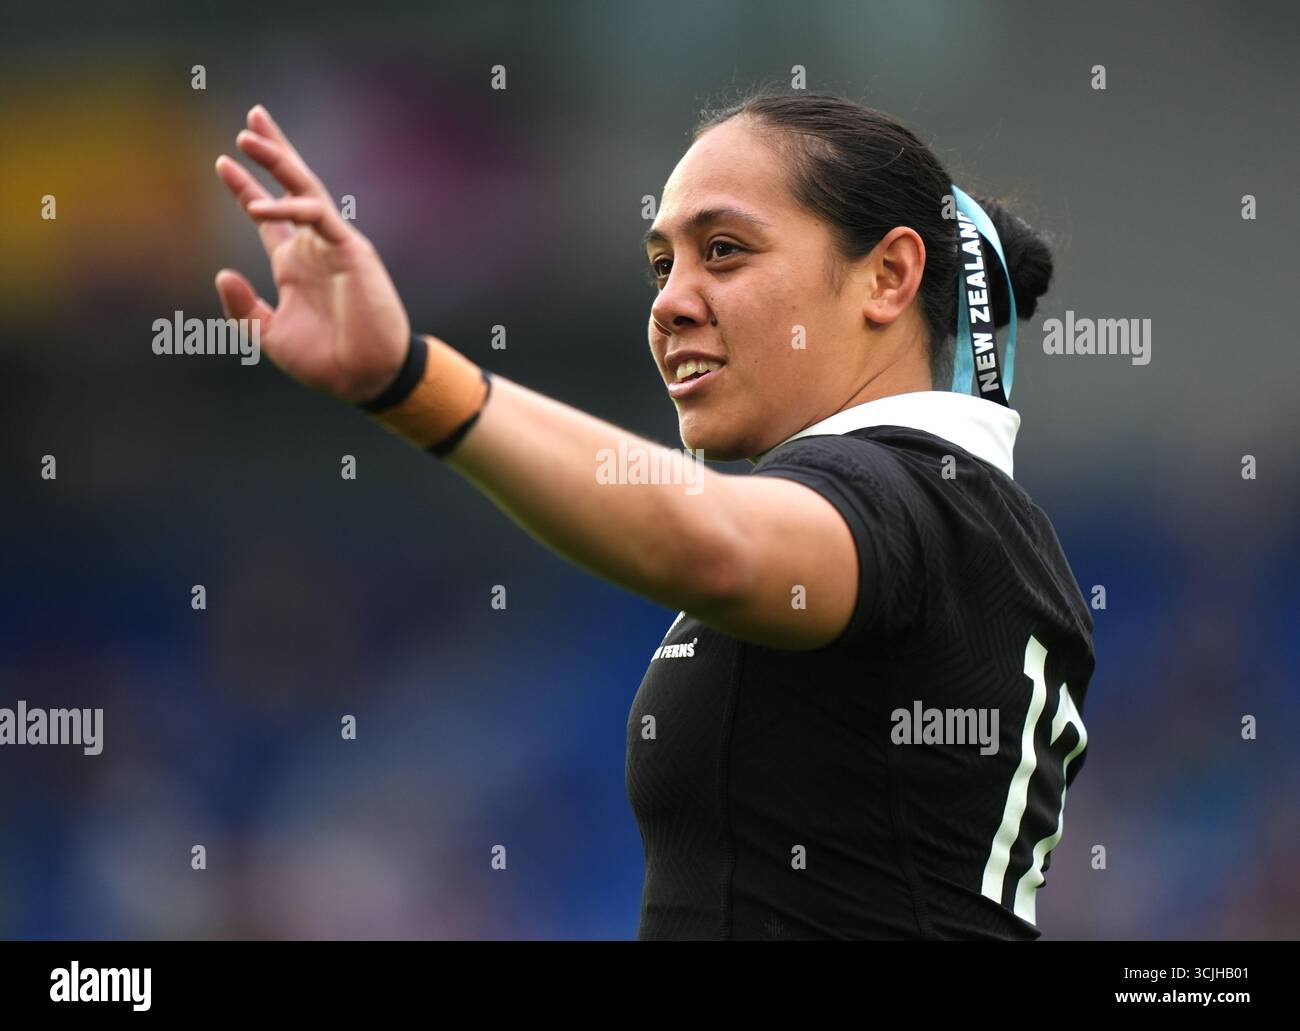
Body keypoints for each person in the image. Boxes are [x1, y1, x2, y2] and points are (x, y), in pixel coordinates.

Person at [214, 89, 1095, 940]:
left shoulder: (908, 495)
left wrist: (414, 381)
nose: (668, 302)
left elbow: (713, 544)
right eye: (660, 264)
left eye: (723, 250)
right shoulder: (959, 508)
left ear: (888, 276)